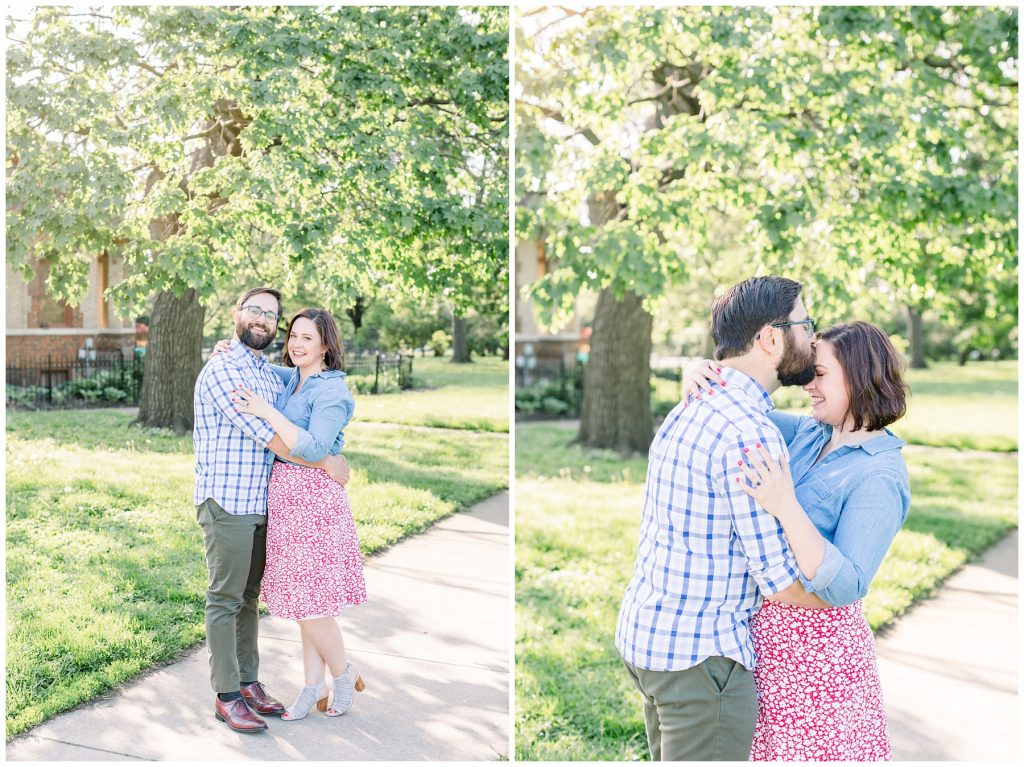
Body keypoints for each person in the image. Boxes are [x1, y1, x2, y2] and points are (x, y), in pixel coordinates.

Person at [615, 276, 832, 762]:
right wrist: (842, 600)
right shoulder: (749, 433)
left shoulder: (693, 404)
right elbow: (778, 581)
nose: (812, 339)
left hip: (649, 635)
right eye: (806, 324)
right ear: (771, 338)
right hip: (700, 659)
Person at [682, 320, 911, 761]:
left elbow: (846, 585)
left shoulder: (880, 474)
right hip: (765, 643)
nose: (808, 384)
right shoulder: (812, 432)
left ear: (860, 375)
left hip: (818, 663)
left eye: (819, 374)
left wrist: (786, 505)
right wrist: (699, 370)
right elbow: (743, 411)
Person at [194, 287, 350, 734]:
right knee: (225, 598)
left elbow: (307, 389)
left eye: (271, 315)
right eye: (255, 310)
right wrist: (328, 462)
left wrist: (326, 455)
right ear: (237, 314)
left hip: (266, 501)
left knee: (248, 597)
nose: (264, 319)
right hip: (227, 501)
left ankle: (248, 682)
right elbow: (273, 437)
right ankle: (226, 696)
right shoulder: (225, 370)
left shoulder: (265, 370)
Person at [229, 306, 368, 722]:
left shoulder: (333, 392)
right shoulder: (292, 379)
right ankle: (312, 685)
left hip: (315, 501)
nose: (296, 344)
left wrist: (266, 412)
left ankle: (343, 675)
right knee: (301, 599)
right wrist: (230, 345)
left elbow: (314, 446)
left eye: (308, 337)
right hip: (286, 498)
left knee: (311, 603)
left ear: (326, 345)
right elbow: (261, 368)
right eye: (293, 336)